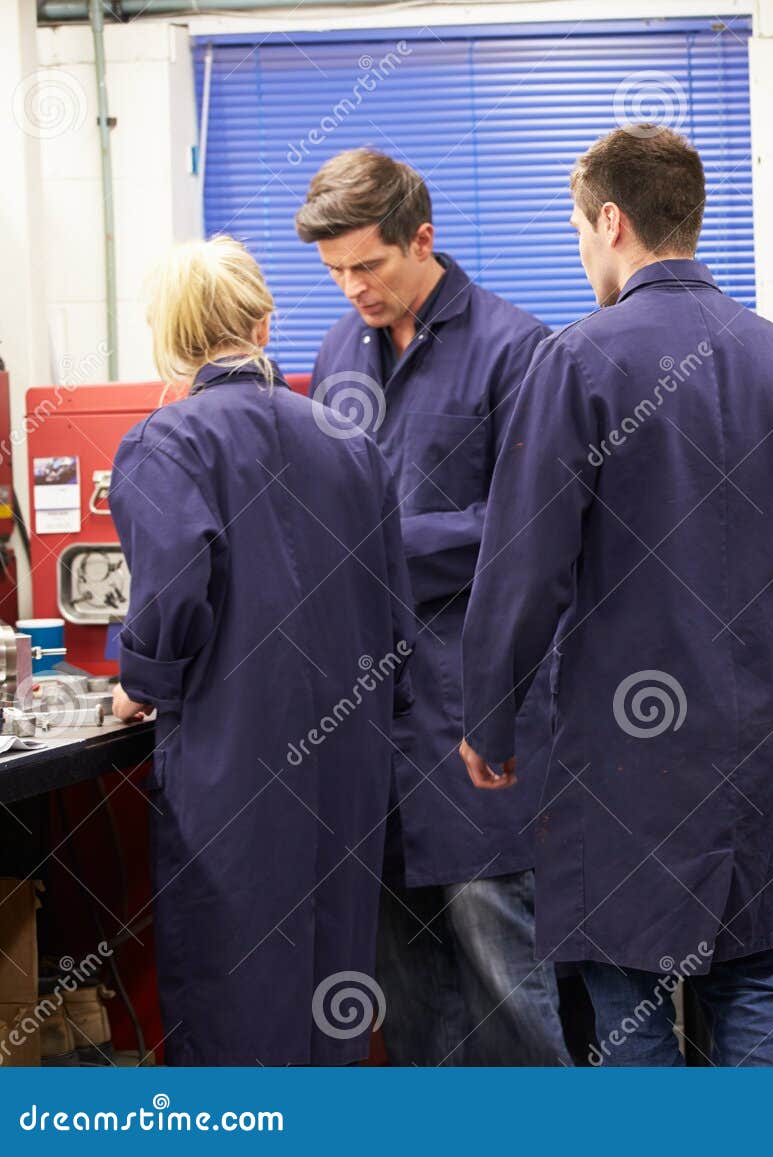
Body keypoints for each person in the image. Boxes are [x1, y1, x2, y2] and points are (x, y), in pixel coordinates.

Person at [458, 125, 773, 1067]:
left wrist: (488, 716)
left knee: (627, 990)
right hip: (751, 738)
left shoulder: (580, 361)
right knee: (745, 976)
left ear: (614, 221)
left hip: (625, 752)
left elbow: (524, 561)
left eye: (582, 229)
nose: (583, 249)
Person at [110, 236, 415, 1065]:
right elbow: (395, 619)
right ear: (265, 320)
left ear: (172, 340)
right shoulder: (352, 442)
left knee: (237, 998)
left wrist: (140, 680)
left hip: (235, 767)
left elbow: (171, 598)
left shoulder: (163, 444)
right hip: (350, 768)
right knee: (335, 993)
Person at [296, 149, 567, 1066]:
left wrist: (377, 547)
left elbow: (528, 523)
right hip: (372, 720)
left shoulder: (515, 348)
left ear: (424, 238)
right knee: (405, 994)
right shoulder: (338, 351)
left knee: (507, 979)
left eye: (366, 265)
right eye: (333, 272)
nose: (351, 289)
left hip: (476, 709)